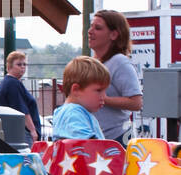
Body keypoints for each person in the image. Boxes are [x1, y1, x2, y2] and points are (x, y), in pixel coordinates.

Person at [87, 9, 143, 146]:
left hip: (117, 138)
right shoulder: (94, 62)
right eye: (91, 26)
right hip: (97, 138)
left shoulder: (119, 62)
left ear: (113, 34)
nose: (90, 31)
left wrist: (102, 99)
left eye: (98, 28)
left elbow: (136, 102)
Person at [51, 56, 110, 141]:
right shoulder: (71, 113)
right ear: (76, 89)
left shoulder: (77, 112)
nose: (104, 96)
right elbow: (88, 145)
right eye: (99, 90)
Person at [0, 51, 41, 144]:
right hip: (22, 133)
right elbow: (22, 110)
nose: (23, 67)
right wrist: (33, 130)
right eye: (19, 64)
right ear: (9, 67)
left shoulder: (8, 82)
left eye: (24, 64)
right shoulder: (13, 83)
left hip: (13, 132)